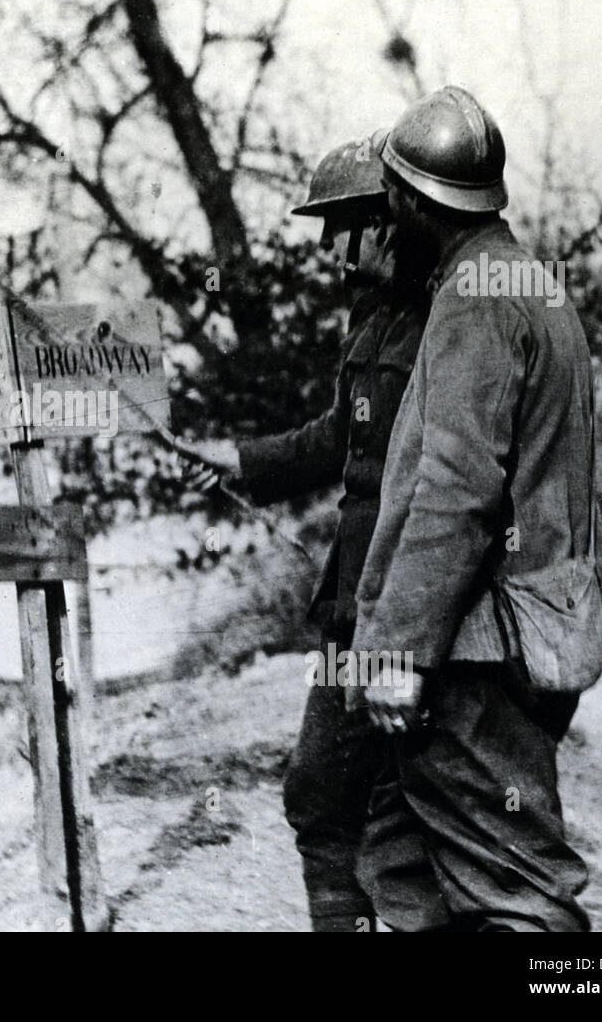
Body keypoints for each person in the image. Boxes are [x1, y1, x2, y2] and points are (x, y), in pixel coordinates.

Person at [350, 86, 602, 931]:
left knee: (514, 890)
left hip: (477, 652)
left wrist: (399, 652)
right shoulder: (523, 280)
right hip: (523, 630)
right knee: (398, 859)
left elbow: (457, 489)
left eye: (389, 199)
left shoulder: (474, 297)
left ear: (408, 201)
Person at [172, 130, 430, 931]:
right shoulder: (374, 315)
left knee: (378, 807)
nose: (329, 251)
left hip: (409, 600)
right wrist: (240, 461)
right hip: (353, 604)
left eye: (338, 228)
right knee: (326, 799)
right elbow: (337, 439)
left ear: (388, 219)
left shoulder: (449, 320)